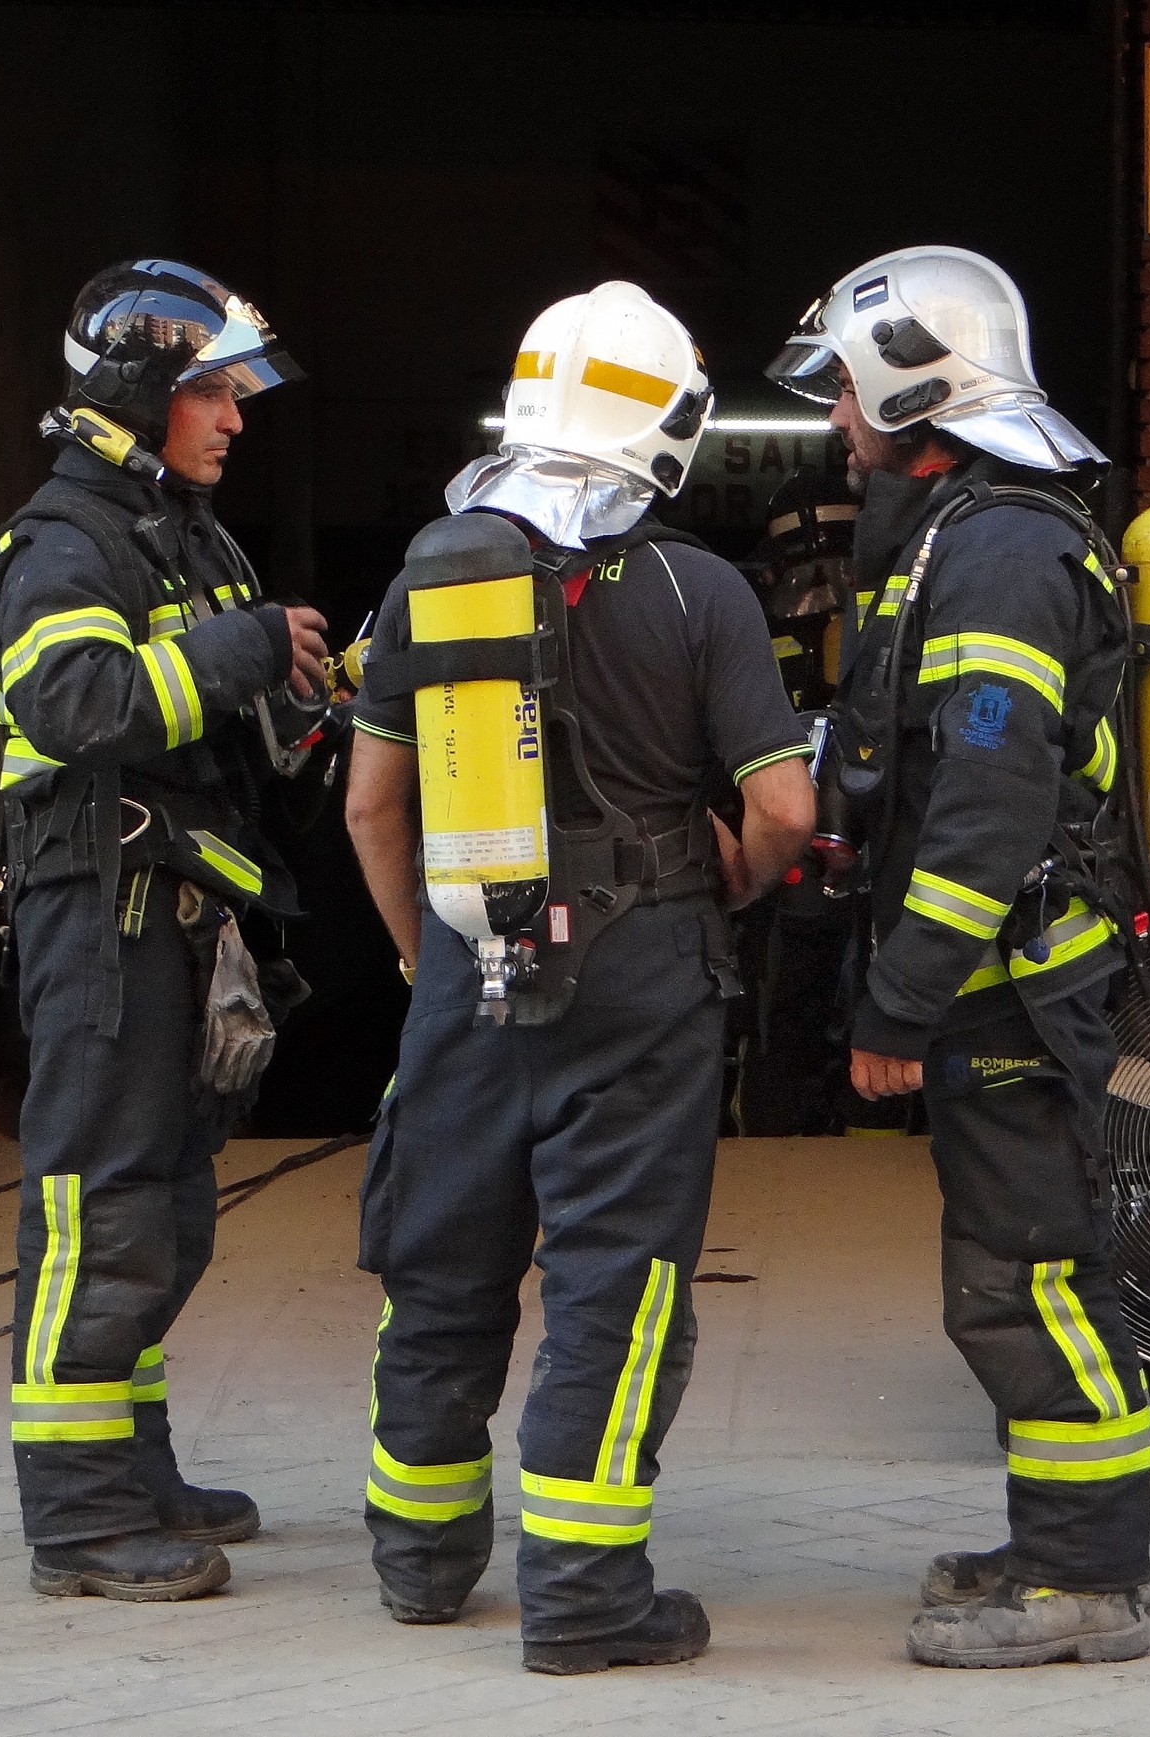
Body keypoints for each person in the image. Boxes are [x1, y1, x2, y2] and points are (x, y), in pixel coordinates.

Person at [345, 280, 816, 1673]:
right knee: (616, 1275)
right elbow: (784, 806)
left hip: (465, 959)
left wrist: (426, 958)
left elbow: (374, 806)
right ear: (658, 425)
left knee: (440, 1259)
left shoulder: (432, 571)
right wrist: (724, 883)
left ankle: (423, 1564)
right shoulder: (697, 587)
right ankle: (589, 1599)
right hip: (646, 968)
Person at [767, 245, 1150, 1667]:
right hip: (1002, 985)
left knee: (1026, 1276)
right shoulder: (968, 532)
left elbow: (983, 815)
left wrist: (896, 999)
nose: (833, 423)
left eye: (846, 395)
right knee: (1020, 1268)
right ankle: (1059, 1540)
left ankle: (1087, 1580)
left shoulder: (994, 553)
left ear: (911, 386)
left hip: (1006, 992)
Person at [0, 259, 329, 1602]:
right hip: (102, 915)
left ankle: (136, 1467)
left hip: (173, 920)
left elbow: (222, 714)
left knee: (165, 1208)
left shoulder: (177, 532)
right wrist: (238, 653)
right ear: (134, 391)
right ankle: (76, 1520)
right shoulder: (65, 539)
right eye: (211, 389)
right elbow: (76, 699)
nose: (235, 415)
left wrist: (308, 688)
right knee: (98, 1207)